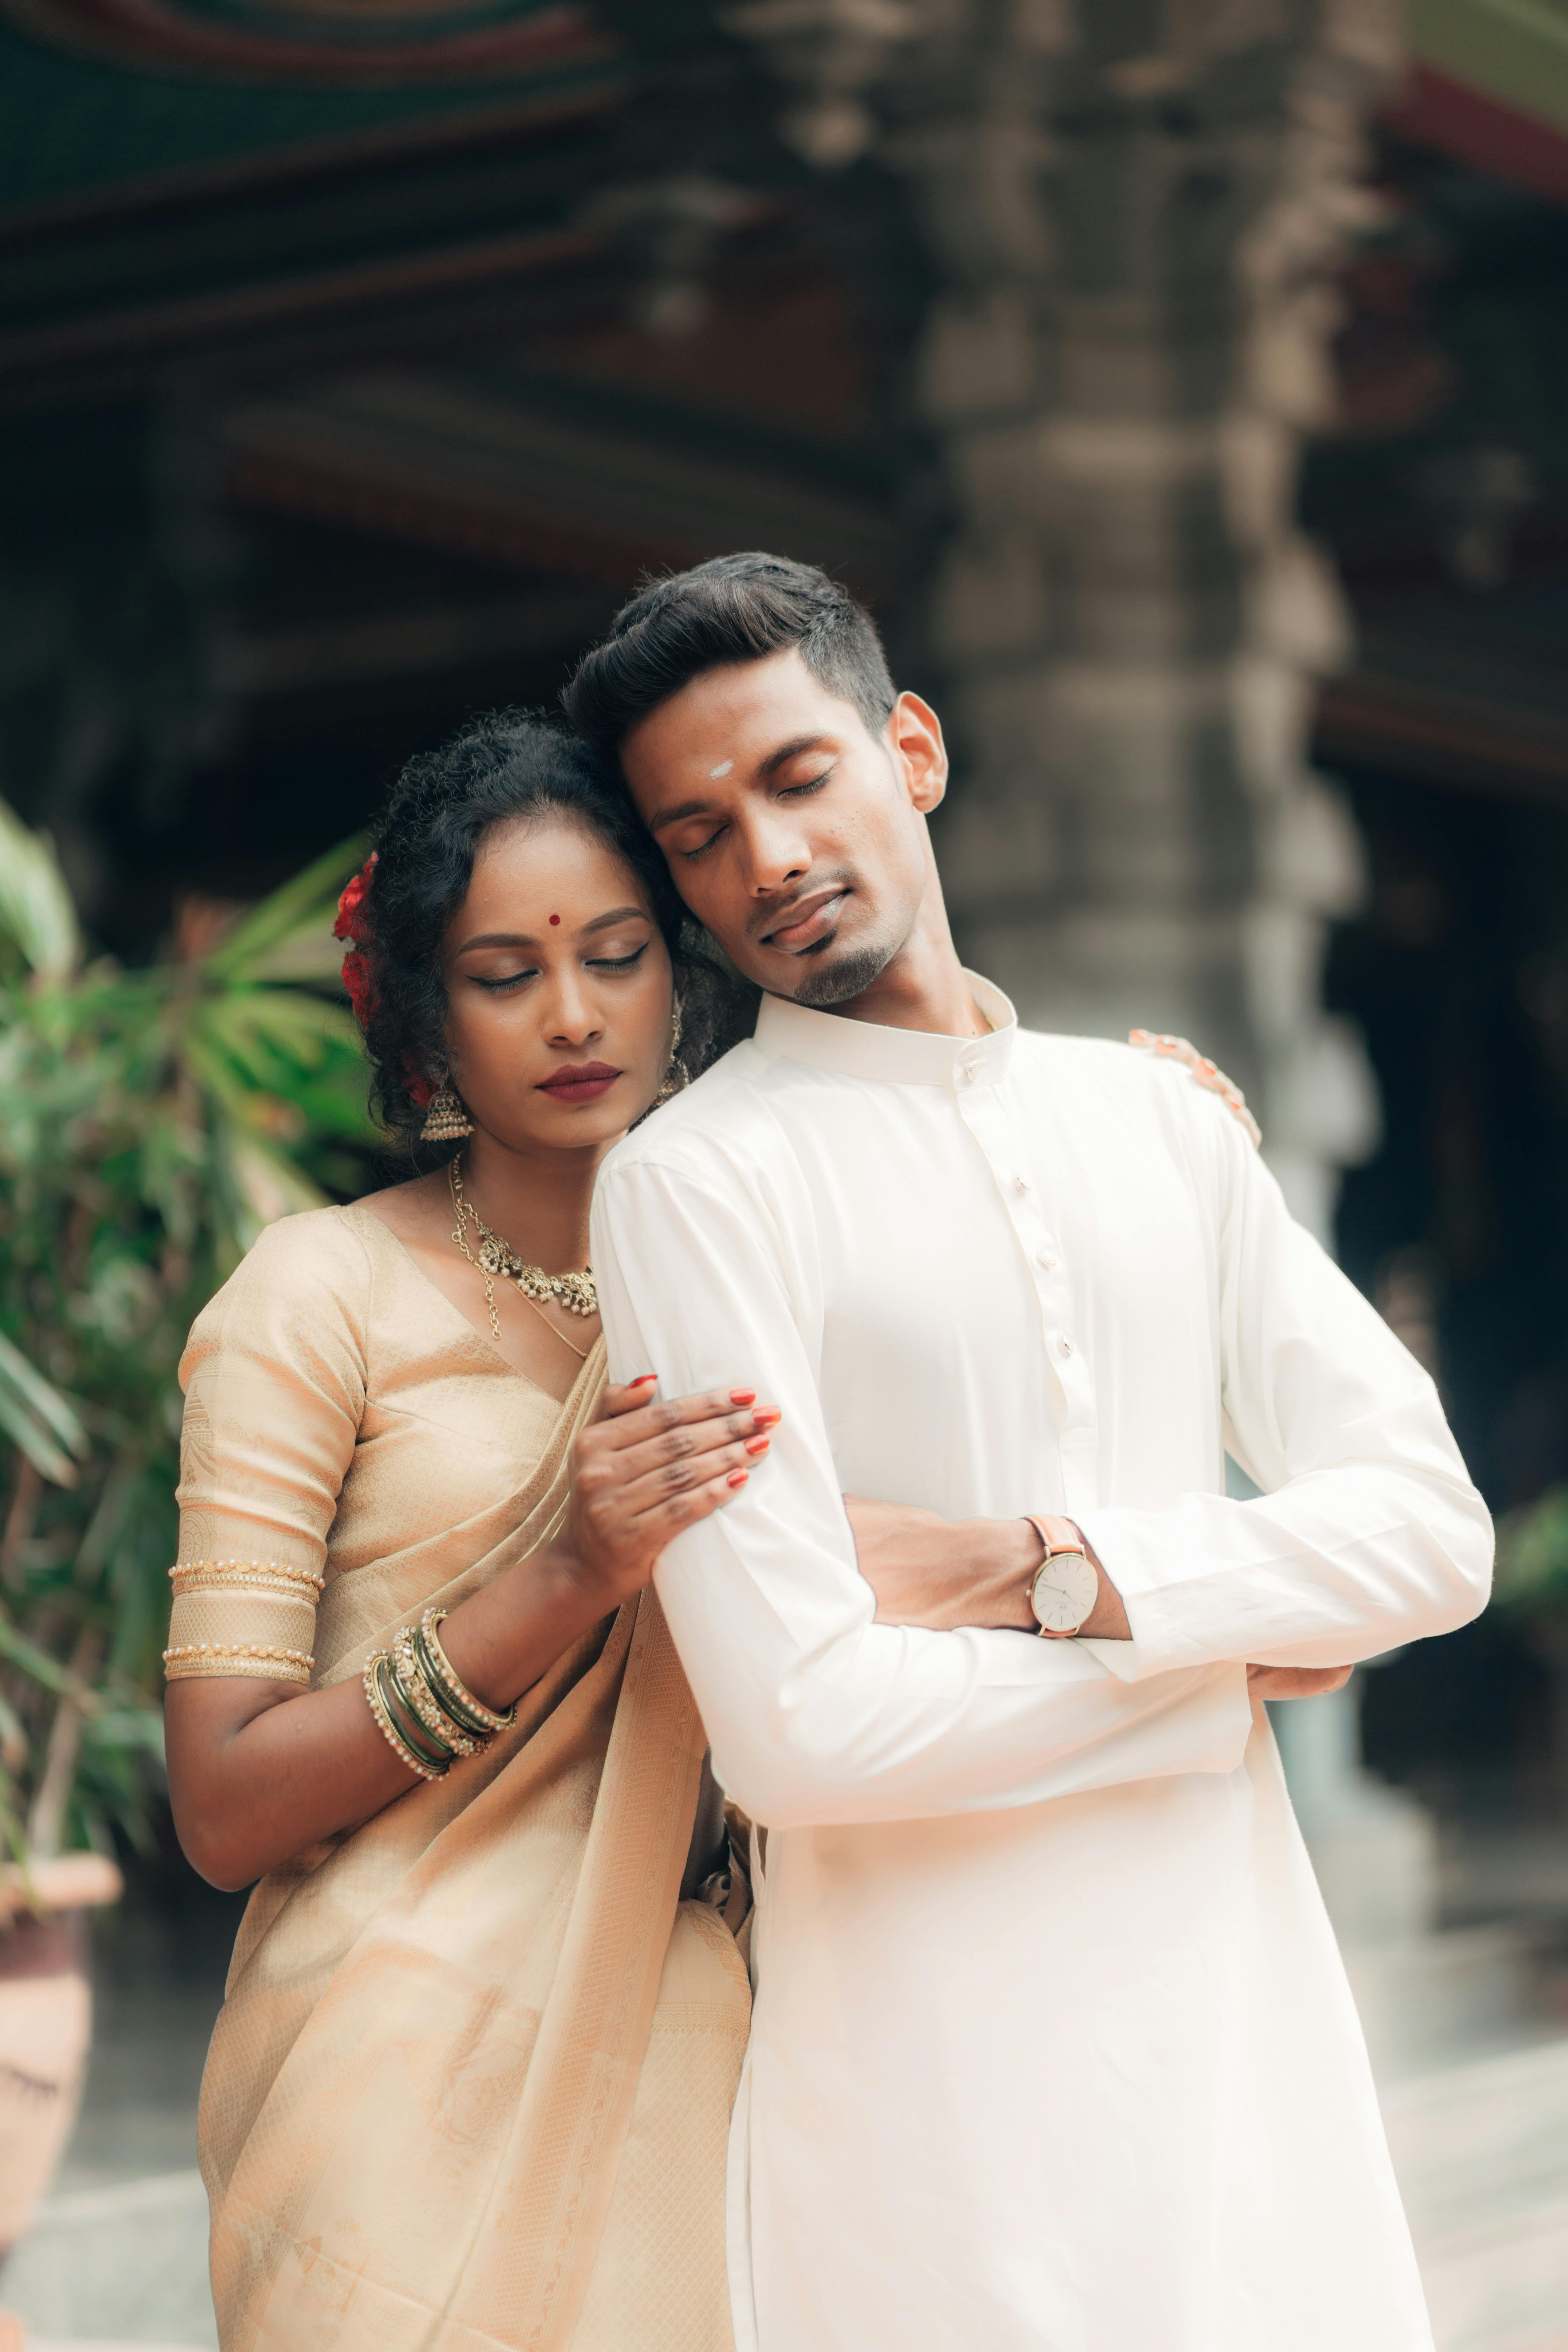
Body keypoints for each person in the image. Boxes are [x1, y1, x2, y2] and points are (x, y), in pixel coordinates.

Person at [562, 553, 1495, 2352]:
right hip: (936, 2120)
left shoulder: (1158, 1118)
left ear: (908, 748)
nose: (760, 861)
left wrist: (1042, 1571)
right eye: (695, 834)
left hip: (1248, 2052)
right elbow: (804, 1735)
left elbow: (1433, 1537)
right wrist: (1224, 1667)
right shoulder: (699, 1184)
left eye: (793, 777)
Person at [163, 716, 780, 2352]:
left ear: (683, 971)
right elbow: (223, 1805)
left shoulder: (764, 1287)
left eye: (617, 955)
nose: (574, 1016)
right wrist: (565, 1576)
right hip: (385, 2082)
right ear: (429, 1017)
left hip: (696, 2054)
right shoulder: (319, 1295)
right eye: (505, 974)